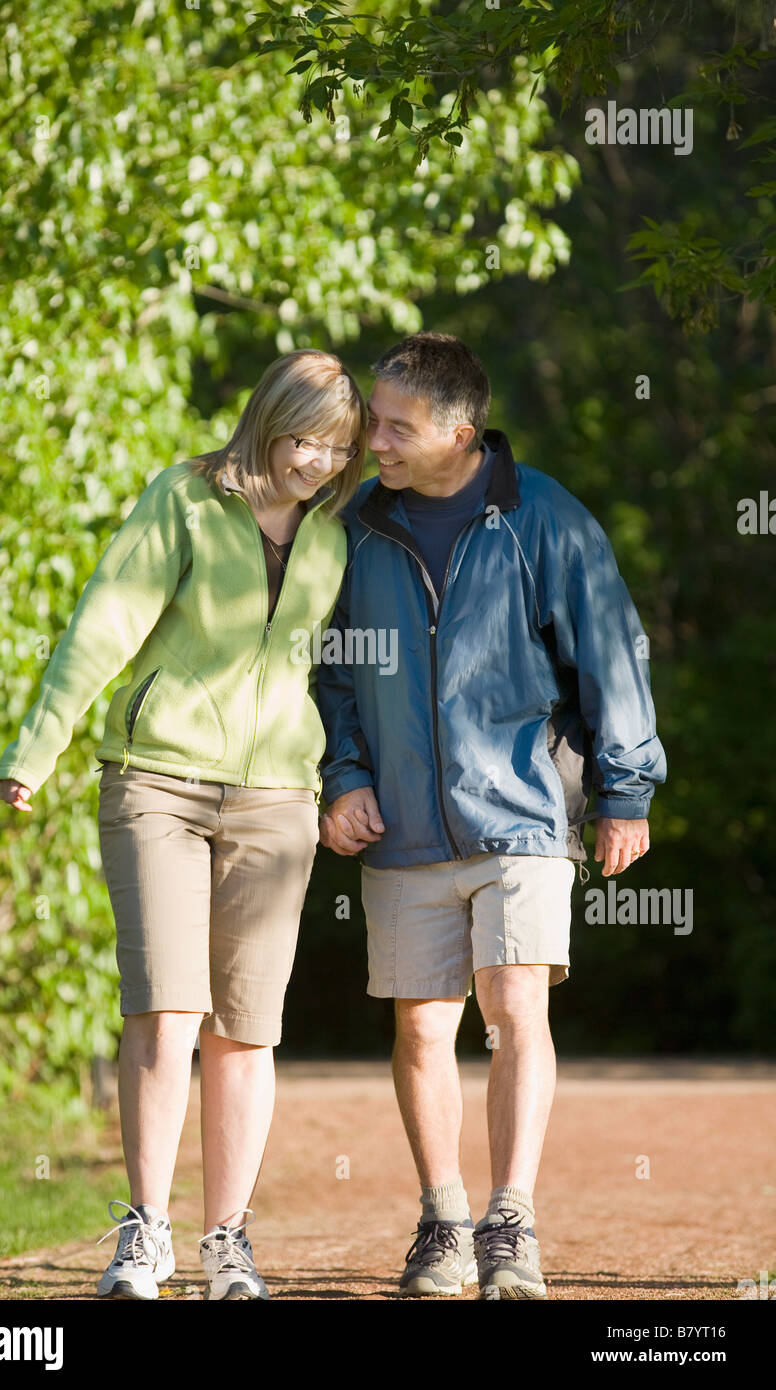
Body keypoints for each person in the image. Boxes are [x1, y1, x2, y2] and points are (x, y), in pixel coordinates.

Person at [0, 350, 366, 1301]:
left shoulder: (336, 531)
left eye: (338, 446)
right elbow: (104, 622)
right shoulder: (187, 497)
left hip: (277, 795)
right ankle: (145, 1232)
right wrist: (36, 747)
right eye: (304, 438)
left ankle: (227, 1242)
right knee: (166, 1009)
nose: (318, 461)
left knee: (246, 1029)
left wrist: (345, 779)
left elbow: (342, 668)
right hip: (156, 778)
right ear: (266, 419)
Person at [317, 331, 666, 1300]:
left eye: (397, 425)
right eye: (373, 419)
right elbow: (332, 672)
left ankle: (510, 1217)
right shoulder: (355, 529)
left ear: (460, 431)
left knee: (515, 1013)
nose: (372, 439)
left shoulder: (543, 518)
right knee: (424, 1028)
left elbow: (611, 651)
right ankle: (442, 1219)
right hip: (403, 829)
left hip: (520, 815)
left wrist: (623, 788)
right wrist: (343, 775)